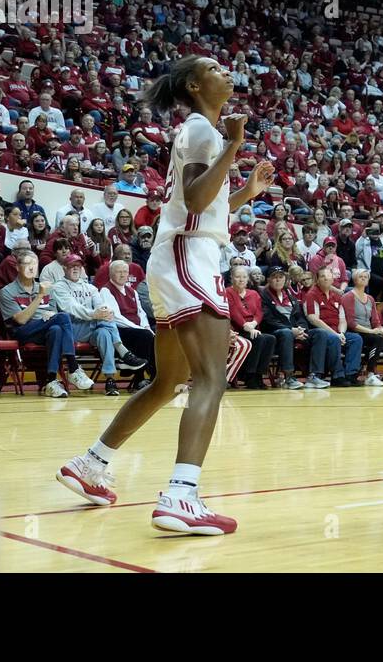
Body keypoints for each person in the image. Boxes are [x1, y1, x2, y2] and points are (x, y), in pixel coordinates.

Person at [55, 56, 274, 535]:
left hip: (177, 253)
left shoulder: (201, 132)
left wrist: (246, 193)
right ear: (196, 85)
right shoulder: (204, 131)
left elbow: (203, 205)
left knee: (168, 382)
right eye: (216, 67)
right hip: (187, 257)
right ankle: (181, 494)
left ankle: (91, 464)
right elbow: (196, 201)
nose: (229, 70)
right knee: (211, 378)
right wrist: (235, 145)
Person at [0, 249, 92, 397]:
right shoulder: (8, 291)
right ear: (17, 267)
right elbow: (21, 320)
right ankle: (73, 367)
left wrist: (52, 315)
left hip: (45, 330)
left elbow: (54, 315)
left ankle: (50, 381)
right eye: (27, 263)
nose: (31, 267)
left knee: (56, 329)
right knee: (61, 318)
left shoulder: (47, 288)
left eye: (34, 263)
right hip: (22, 332)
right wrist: (40, 296)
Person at [51, 255, 146, 396]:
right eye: (72, 266)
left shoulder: (91, 288)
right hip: (72, 330)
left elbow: (101, 307)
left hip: (92, 328)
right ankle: (123, 352)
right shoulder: (59, 286)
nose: (76, 268)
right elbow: (72, 308)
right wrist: (95, 314)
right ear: (64, 268)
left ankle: (110, 380)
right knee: (104, 321)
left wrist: (103, 312)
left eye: (78, 265)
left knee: (105, 333)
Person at [303, 265, 361, 386]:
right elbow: (314, 319)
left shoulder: (337, 296)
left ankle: (351, 375)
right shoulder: (312, 294)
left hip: (337, 332)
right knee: (334, 339)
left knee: (356, 338)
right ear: (317, 280)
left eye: (328, 276)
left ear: (333, 279)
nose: (326, 279)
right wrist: (336, 334)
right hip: (319, 333)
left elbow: (343, 319)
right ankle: (337, 376)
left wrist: (342, 333)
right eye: (322, 276)